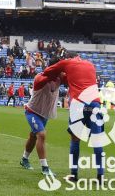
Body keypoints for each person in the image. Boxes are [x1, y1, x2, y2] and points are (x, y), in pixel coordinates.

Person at [41, 54, 104, 182]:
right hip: (94, 103)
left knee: (75, 139)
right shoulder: (90, 65)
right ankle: (100, 176)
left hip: (78, 104)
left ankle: (74, 175)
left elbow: (48, 71)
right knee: (97, 140)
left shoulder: (67, 63)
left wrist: (60, 75)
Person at [20, 70, 62, 178]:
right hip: (32, 112)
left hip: (44, 114)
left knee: (33, 136)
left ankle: (24, 159)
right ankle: (45, 168)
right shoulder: (40, 77)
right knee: (41, 134)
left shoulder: (59, 77)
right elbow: (42, 80)